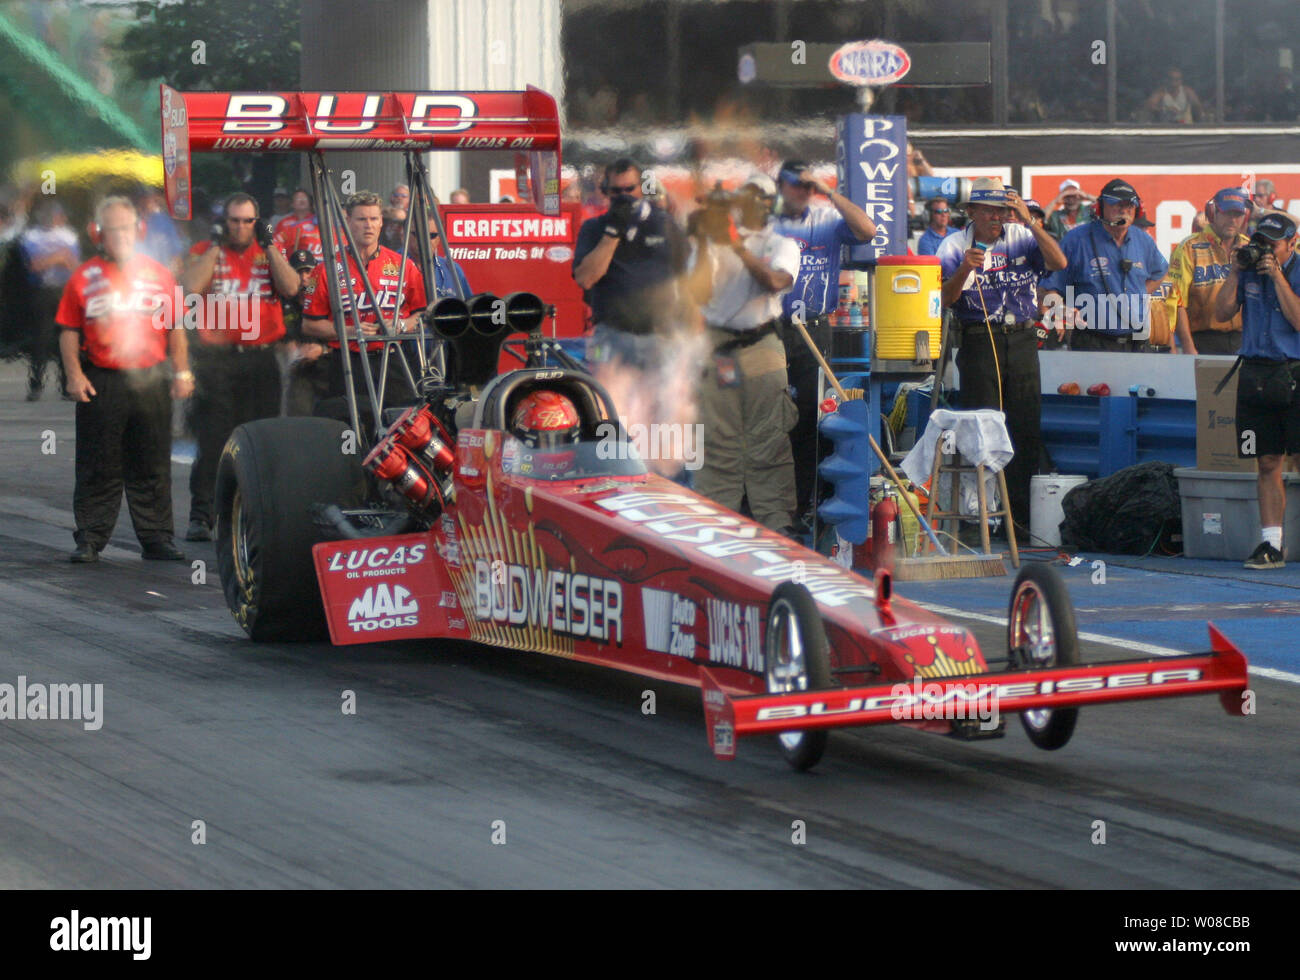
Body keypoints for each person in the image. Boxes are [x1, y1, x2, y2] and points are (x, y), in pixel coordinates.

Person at [56, 196, 193, 563]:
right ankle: (90, 539)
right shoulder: (83, 277)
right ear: (98, 233)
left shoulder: (159, 274)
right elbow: (69, 329)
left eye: (126, 228)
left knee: (152, 463)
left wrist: (182, 372)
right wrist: (74, 376)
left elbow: (176, 327)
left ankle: (157, 539)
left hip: (151, 381)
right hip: (103, 381)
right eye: (111, 229)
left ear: (139, 230)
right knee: (98, 463)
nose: (119, 236)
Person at [937, 177, 1067, 530]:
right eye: (990, 211)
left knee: (1024, 428)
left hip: (1023, 338)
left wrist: (1029, 220)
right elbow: (943, 300)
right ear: (972, 212)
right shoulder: (952, 245)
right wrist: (965, 268)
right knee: (981, 428)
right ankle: (980, 520)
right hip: (979, 339)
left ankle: (1021, 521)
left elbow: (1059, 262)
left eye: (1002, 211)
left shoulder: (1022, 235)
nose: (997, 217)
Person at [180, 192, 299, 541]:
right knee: (213, 438)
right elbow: (187, 289)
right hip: (217, 361)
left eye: (248, 220)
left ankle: (254, 512)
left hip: (262, 358)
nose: (241, 227)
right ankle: (202, 516)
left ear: (257, 221)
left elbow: (292, 287)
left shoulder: (267, 252)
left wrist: (271, 245)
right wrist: (217, 246)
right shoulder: (206, 249)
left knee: (260, 439)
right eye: (234, 220)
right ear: (224, 221)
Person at [686, 174, 801, 533]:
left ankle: (777, 528)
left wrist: (736, 246)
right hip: (719, 348)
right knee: (715, 443)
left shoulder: (781, 244)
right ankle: (715, 530)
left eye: (758, 199)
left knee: (769, 441)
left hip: (762, 345)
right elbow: (698, 293)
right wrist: (705, 240)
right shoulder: (712, 244)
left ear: (769, 204)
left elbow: (776, 282)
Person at [771, 159, 877, 525]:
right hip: (771, 330)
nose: (800, 192)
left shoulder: (826, 219)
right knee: (769, 418)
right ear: (779, 187)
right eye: (793, 185)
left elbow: (867, 230)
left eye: (806, 186)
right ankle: (769, 505)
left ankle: (806, 503)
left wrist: (829, 191)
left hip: (814, 329)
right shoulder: (766, 223)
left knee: (811, 419)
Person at [572, 157, 689, 448]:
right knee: (611, 416)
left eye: (629, 189)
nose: (623, 197)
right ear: (605, 191)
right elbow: (586, 278)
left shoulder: (665, 225)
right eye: (616, 191)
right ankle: (613, 477)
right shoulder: (594, 228)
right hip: (613, 335)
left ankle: (667, 481)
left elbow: (690, 278)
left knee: (664, 419)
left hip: (659, 336)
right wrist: (614, 232)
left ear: (642, 188)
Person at [1212, 212, 1300, 569]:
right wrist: (1236, 270)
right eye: (1260, 242)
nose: (1265, 250)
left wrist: (1277, 276)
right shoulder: (1247, 269)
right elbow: (1220, 313)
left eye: (1273, 245)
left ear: (1292, 244)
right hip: (1256, 374)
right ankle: (1271, 544)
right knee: (1266, 461)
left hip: (1294, 372)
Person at [300, 189, 428, 412]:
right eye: (361, 219)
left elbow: (424, 313)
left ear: (381, 223)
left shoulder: (404, 265)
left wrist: (402, 325)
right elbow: (309, 324)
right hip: (348, 361)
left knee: (402, 425)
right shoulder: (325, 269)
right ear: (348, 221)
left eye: (374, 219)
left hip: (393, 360)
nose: (368, 225)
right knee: (348, 426)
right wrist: (350, 330)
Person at [1043, 178, 1169, 352]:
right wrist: (1060, 308)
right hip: (1092, 341)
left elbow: (1161, 270)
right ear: (1100, 208)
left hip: (1137, 341)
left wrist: (1140, 294)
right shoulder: (1076, 240)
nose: (1124, 211)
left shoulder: (1144, 240)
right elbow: (1049, 287)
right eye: (1117, 206)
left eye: (1129, 207)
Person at [1167, 188, 1252, 356]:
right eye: (1227, 213)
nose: (1233, 220)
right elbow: (1176, 301)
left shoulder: (1249, 247)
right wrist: (1188, 345)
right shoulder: (1189, 248)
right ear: (1213, 214)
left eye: (1238, 214)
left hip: (1244, 340)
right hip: (1202, 340)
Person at [18, 200, 80, 400]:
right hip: (42, 292)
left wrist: (58, 259)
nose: (55, 219)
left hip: (64, 291)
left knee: (67, 338)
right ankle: (36, 386)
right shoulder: (32, 236)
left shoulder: (69, 236)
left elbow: (74, 265)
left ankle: (66, 385)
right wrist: (59, 256)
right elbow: (34, 265)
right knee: (41, 340)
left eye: (58, 215)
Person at [284, 248, 332, 417]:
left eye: (308, 271)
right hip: (299, 371)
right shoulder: (283, 304)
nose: (304, 278)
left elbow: (348, 335)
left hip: (330, 364)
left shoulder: (331, 299)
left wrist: (323, 350)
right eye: (298, 272)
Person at [272, 188, 320, 262]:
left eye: (304, 198)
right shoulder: (284, 223)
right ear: (292, 204)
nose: (301, 200)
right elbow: (276, 243)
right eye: (298, 198)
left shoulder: (318, 221)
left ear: (310, 203)